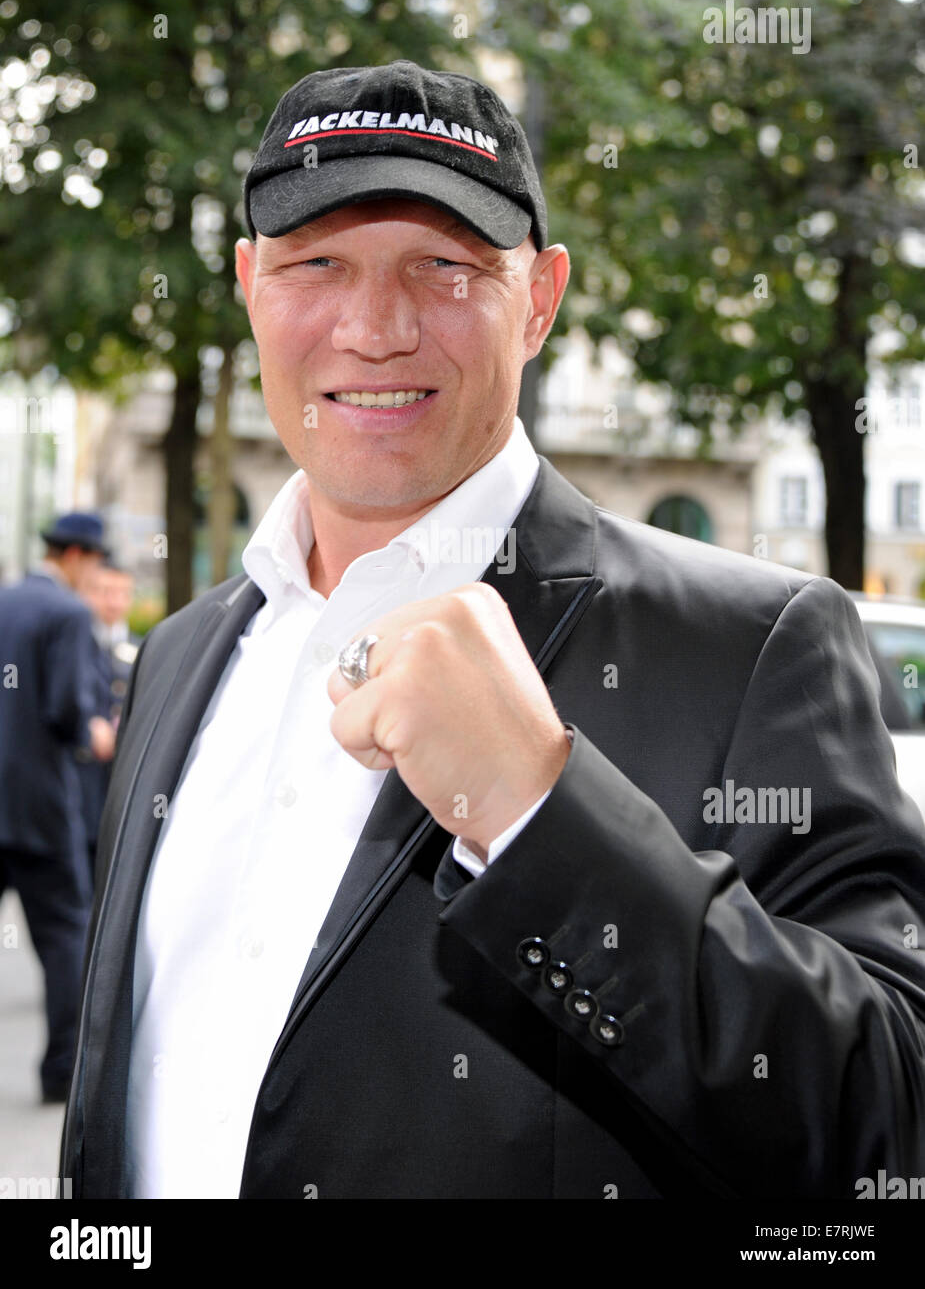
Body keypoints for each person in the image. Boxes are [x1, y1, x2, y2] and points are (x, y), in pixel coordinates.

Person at [62, 60, 925, 1199]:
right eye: (315, 263)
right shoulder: (182, 654)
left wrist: (541, 817)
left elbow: (885, 1121)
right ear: (246, 284)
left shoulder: (752, 644)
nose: (372, 329)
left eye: (445, 266)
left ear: (541, 298)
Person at [0, 512, 116, 1103]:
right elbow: (68, 705)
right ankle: (61, 1072)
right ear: (75, 556)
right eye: (95, 562)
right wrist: (95, 732)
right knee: (67, 931)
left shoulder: (6, 600)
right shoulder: (68, 614)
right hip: (39, 801)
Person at [75, 561, 138, 881]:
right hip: (78, 785)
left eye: (122, 593)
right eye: (104, 592)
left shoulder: (145, 646)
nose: (114, 602)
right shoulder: (72, 644)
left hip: (120, 786)